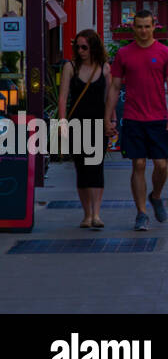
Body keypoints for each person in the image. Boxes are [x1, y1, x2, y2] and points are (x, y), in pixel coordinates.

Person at [105, 11, 168, 232]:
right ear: (133, 28)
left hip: (158, 118)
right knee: (138, 164)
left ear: (154, 27)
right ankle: (141, 213)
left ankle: (155, 196)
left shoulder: (165, 53)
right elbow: (115, 87)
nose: (143, 31)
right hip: (133, 118)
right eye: (139, 27)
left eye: (147, 26)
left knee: (162, 165)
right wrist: (108, 117)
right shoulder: (124, 54)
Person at [58, 29, 109, 229]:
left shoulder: (104, 68)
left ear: (94, 47)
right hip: (76, 124)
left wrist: (110, 121)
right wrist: (62, 123)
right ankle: (86, 214)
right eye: (77, 47)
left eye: (84, 47)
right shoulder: (70, 67)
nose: (80, 51)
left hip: (98, 123)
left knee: (96, 167)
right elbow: (63, 97)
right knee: (81, 169)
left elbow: (108, 98)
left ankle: (96, 213)